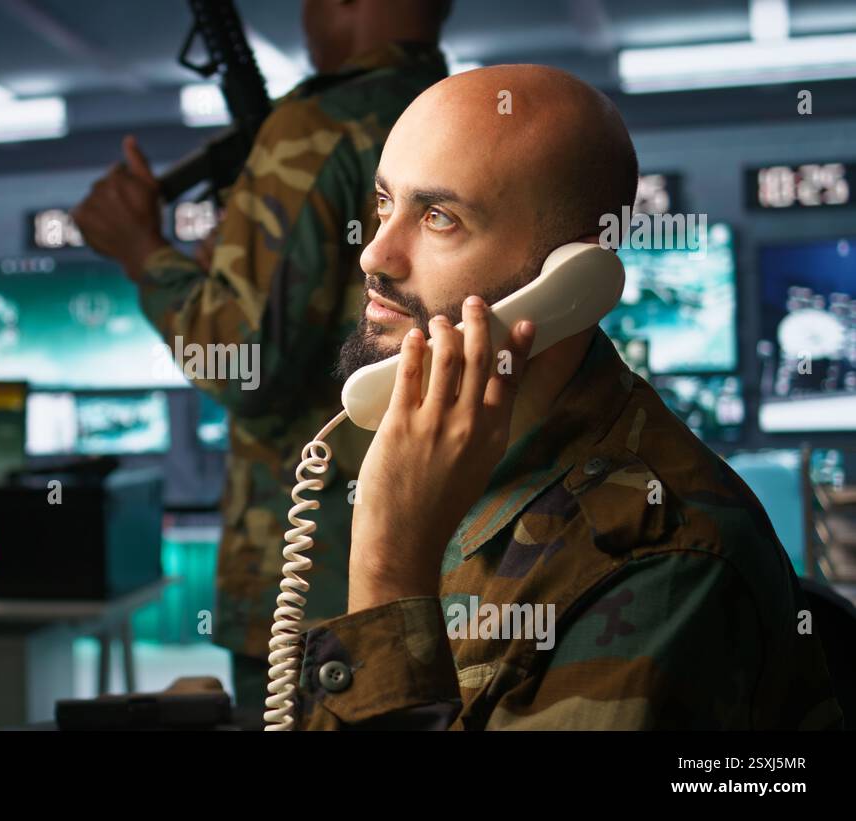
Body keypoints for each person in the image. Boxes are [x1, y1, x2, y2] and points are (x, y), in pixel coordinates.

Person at [292, 64, 842, 730]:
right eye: (385, 203)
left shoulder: (662, 563)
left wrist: (387, 570)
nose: (374, 255)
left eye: (439, 217)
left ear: (570, 280)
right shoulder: (451, 465)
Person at [72, 0, 453, 716]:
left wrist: (141, 251)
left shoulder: (315, 126)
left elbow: (242, 363)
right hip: (423, 557)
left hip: (309, 576)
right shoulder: (452, 123)